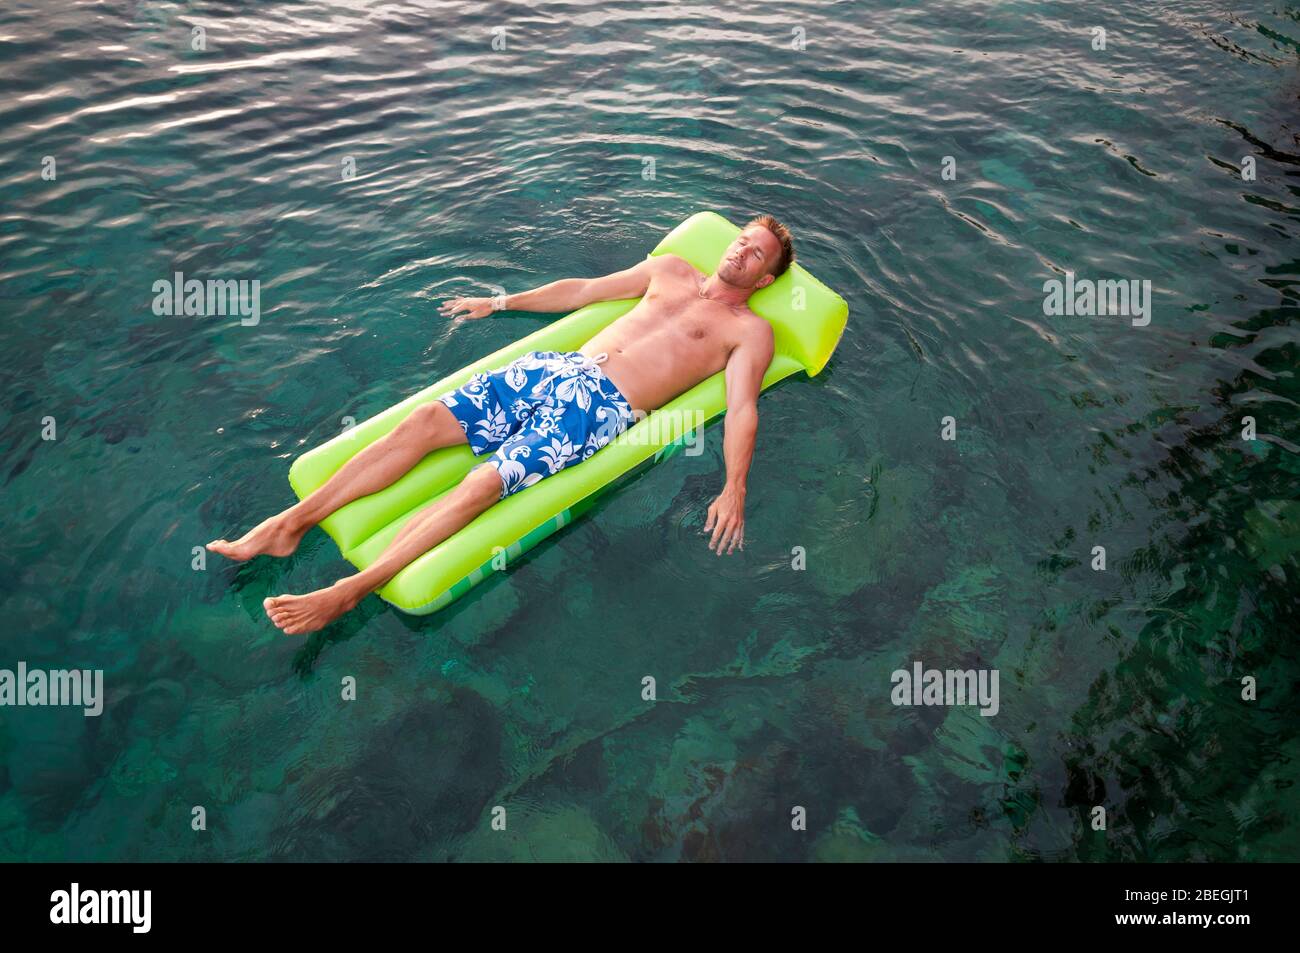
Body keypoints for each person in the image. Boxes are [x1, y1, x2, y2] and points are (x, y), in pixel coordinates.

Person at [209, 215, 795, 634]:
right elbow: (586, 291)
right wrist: (502, 302)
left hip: (599, 409)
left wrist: (733, 488)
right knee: (422, 421)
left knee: (484, 484)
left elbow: (743, 407)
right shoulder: (669, 268)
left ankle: (348, 591)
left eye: (756, 254)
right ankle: (289, 524)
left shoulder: (749, 332)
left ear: (765, 279)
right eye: (742, 240)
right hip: (553, 369)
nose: (741, 252)